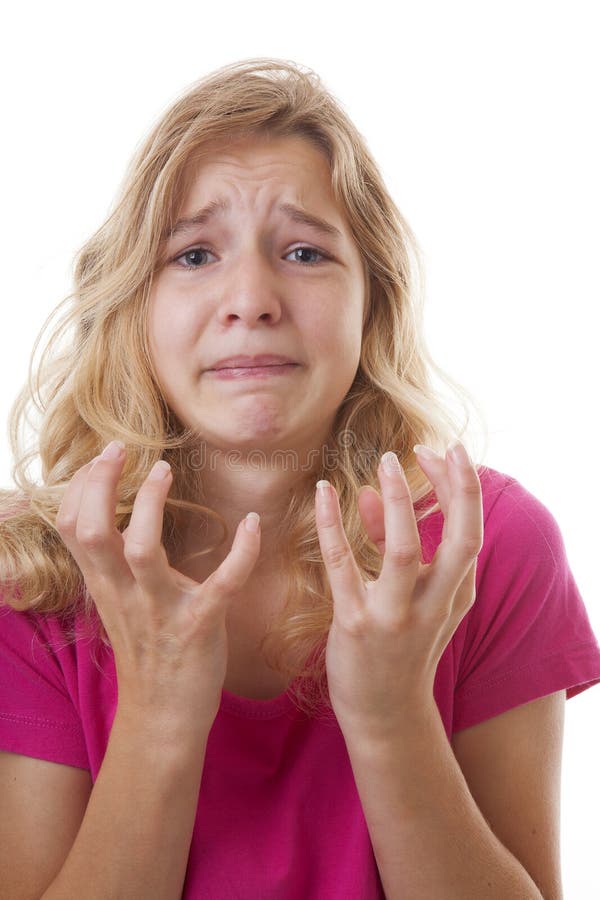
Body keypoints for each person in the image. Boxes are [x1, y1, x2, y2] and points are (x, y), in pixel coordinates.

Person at [0, 57, 598, 900]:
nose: (251, 298)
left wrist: (391, 717)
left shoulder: (488, 546)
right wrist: (160, 715)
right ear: (133, 306)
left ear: (372, 303)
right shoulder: (32, 573)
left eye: (306, 251)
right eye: (195, 253)